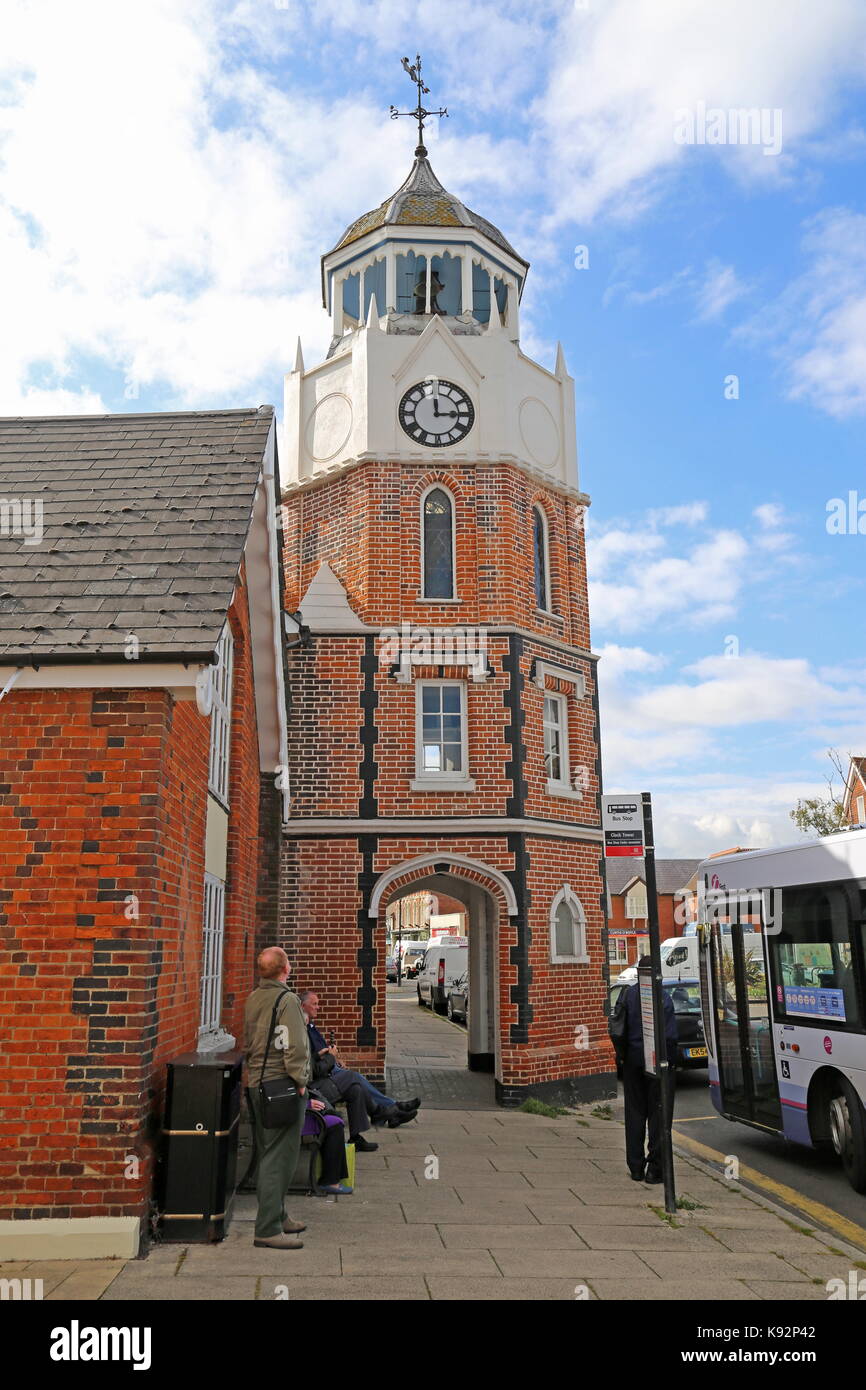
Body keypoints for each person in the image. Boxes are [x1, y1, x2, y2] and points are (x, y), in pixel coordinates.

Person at [243, 946, 311, 1249]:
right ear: (286, 968)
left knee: (269, 1150)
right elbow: (295, 1044)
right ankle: (268, 1228)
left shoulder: (254, 997)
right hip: (280, 1086)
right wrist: (300, 1079)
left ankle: (279, 1215)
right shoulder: (288, 1000)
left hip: (257, 1084)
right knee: (278, 1157)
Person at [300, 990, 420, 1135]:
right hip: (322, 1076)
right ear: (302, 1006)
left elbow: (321, 1051)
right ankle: (392, 1109)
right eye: (314, 1004)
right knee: (354, 1078)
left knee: (357, 1082)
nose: (318, 1007)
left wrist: (335, 1058)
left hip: (329, 1067)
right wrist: (331, 1058)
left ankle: (389, 1112)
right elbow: (312, 1061)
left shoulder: (311, 1027)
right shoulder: (302, 1031)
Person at [621, 962, 678, 1184]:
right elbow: (670, 1038)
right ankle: (655, 1169)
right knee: (659, 1116)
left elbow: (618, 1028)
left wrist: (625, 1055)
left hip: (633, 1061)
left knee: (634, 1114)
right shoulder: (663, 998)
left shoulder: (628, 996)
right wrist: (671, 1063)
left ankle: (635, 1167)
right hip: (658, 1063)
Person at [304, 1096, 353, 1196]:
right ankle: (330, 1181)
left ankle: (333, 1178)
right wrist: (306, 1104)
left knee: (356, 1089)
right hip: (292, 1120)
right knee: (335, 1124)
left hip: (293, 1114)